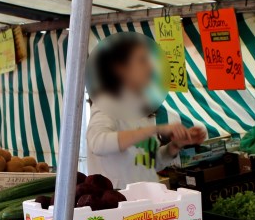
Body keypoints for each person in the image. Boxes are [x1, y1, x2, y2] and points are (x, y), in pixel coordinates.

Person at [84, 32, 206, 187]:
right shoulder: (106, 103)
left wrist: (175, 146)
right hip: (120, 203)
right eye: (142, 61)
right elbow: (98, 143)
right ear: (120, 68)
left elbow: (151, 164)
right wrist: (157, 129)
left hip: (147, 201)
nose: (150, 67)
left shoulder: (141, 108)